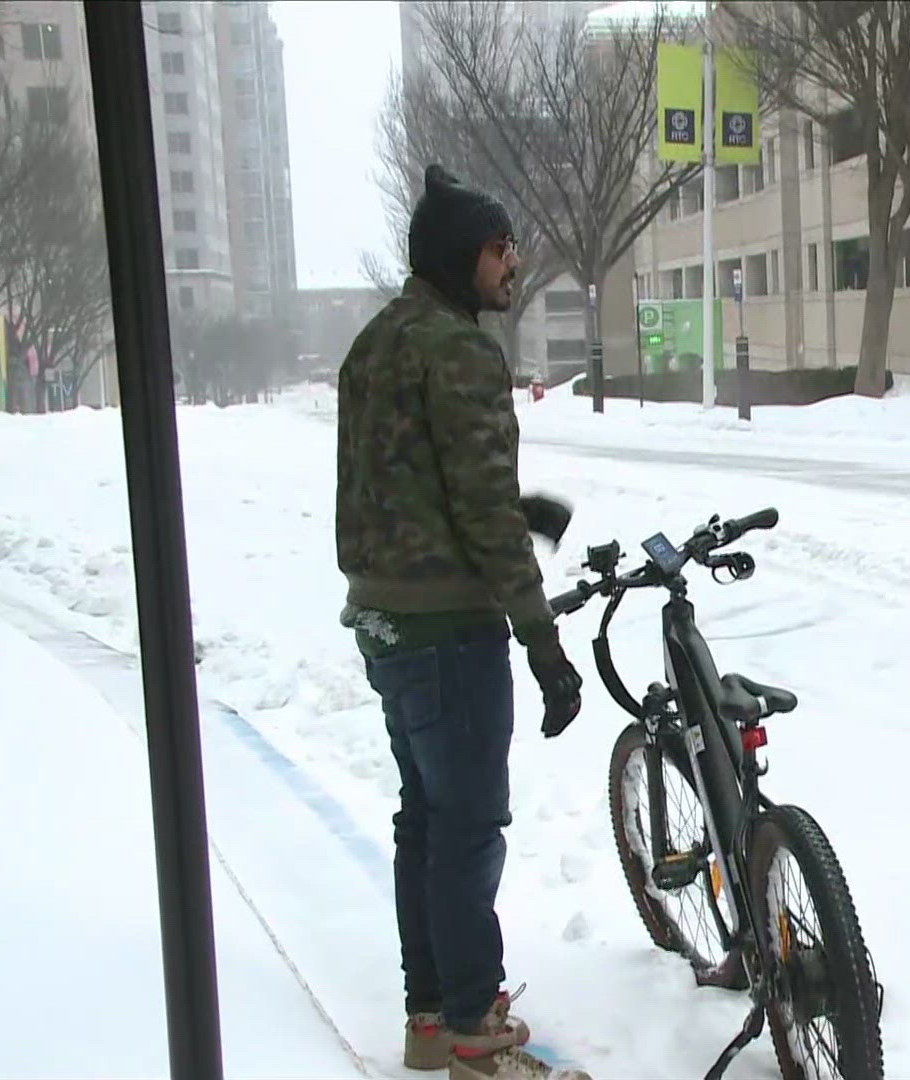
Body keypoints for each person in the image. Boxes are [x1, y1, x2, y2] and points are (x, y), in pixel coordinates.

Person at [336, 164, 588, 1079]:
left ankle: (431, 1018)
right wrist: (545, 642)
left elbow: (407, 481)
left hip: (388, 625)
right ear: (459, 255)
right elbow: (476, 505)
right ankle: (477, 1034)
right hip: (448, 631)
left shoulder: (377, 343)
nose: (512, 260)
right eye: (497, 245)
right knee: (470, 826)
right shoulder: (462, 351)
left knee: (428, 823)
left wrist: (520, 513)